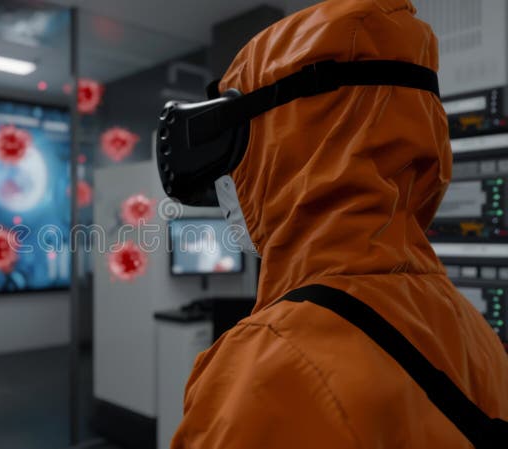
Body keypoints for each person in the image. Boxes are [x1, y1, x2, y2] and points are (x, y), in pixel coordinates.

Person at [170, 0, 508, 447]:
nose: (225, 181)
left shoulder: (271, 369)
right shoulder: (472, 332)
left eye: (238, 145)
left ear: (289, 146)